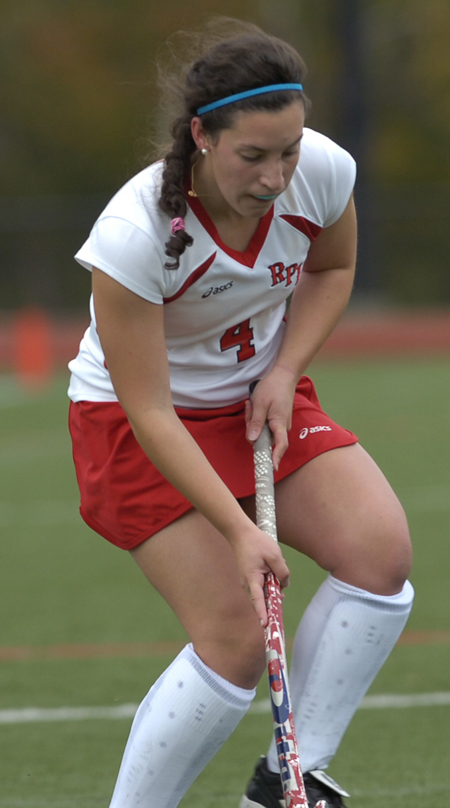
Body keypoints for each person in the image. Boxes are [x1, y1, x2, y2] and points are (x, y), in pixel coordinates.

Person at [68, 18, 414, 808]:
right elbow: (149, 408)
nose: (275, 175)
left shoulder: (320, 170)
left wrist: (287, 368)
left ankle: (290, 778)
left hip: (257, 394)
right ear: (201, 137)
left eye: (288, 150)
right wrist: (239, 531)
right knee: (234, 637)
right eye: (253, 156)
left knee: (380, 553)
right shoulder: (136, 235)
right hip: (139, 423)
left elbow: (334, 265)